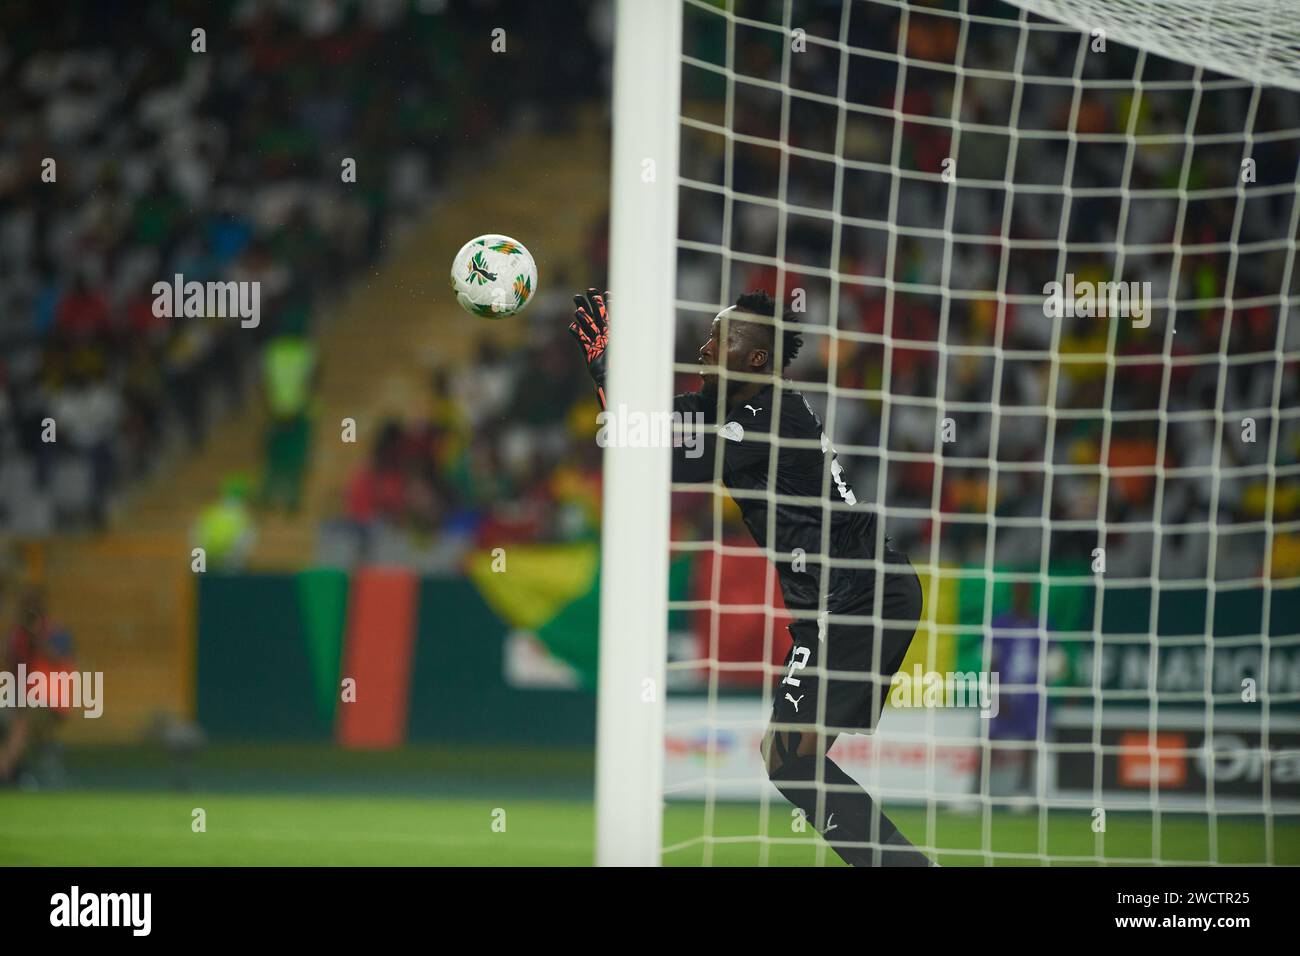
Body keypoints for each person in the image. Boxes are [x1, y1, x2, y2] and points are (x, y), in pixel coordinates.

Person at [569, 288, 932, 866]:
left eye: (721, 338)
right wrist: (608, 365)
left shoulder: (769, 417)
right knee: (790, 761)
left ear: (756, 360)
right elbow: (631, 436)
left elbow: (651, 453)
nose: (705, 346)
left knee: (791, 759)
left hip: (861, 593)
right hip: (836, 603)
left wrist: (610, 365)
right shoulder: (725, 409)